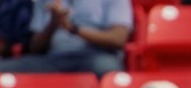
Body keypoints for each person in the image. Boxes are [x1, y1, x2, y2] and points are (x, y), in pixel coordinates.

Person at [0, 0, 131, 75]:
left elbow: (118, 39)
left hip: (96, 56)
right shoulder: (44, 2)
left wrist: (74, 29)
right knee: (3, 68)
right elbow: (35, 48)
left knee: (108, 69)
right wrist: (53, 24)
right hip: (53, 60)